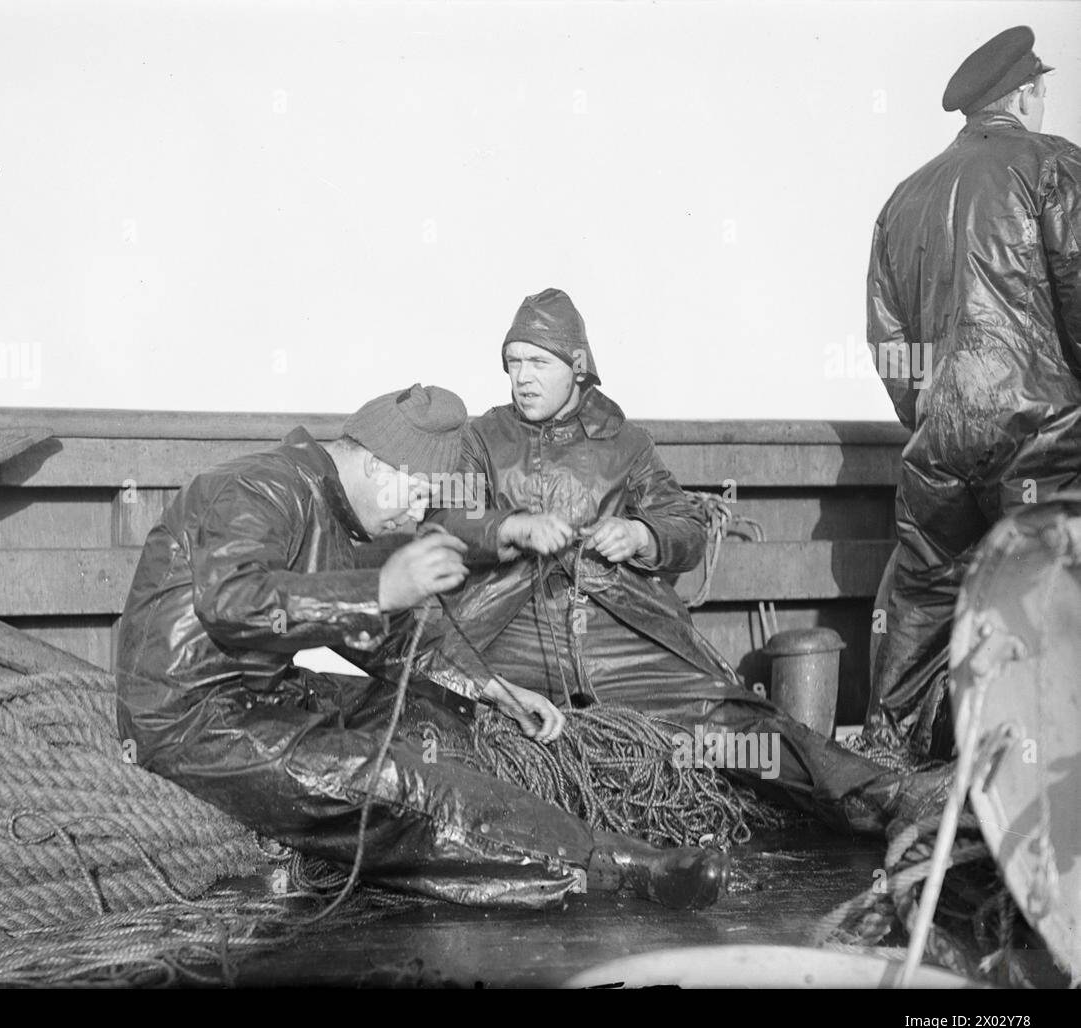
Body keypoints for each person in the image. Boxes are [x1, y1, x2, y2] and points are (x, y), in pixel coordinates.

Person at [115, 383, 728, 910]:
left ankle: (556, 839)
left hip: (260, 695)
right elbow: (235, 603)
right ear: (377, 464)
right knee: (403, 782)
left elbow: (388, 640)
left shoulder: (333, 507)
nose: (414, 517)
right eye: (415, 493)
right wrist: (381, 586)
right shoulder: (258, 488)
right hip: (190, 720)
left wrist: (494, 689)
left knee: (438, 720)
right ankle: (625, 869)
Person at [417, 288, 946, 833]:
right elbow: (442, 519)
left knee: (735, 727)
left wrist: (642, 535)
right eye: (513, 363)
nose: (521, 377)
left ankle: (889, 798)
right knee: (442, 713)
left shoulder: (627, 444)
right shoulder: (482, 438)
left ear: (577, 368)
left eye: (537, 362)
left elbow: (685, 526)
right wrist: (510, 526)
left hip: (615, 632)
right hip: (514, 630)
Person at [865, 26, 1081, 752]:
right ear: (1026, 93)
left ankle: (885, 767)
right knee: (1048, 598)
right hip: (1045, 438)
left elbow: (889, 345)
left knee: (924, 599)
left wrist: (933, 412)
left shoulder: (902, 200)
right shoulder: (1054, 167)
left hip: (941, 444)